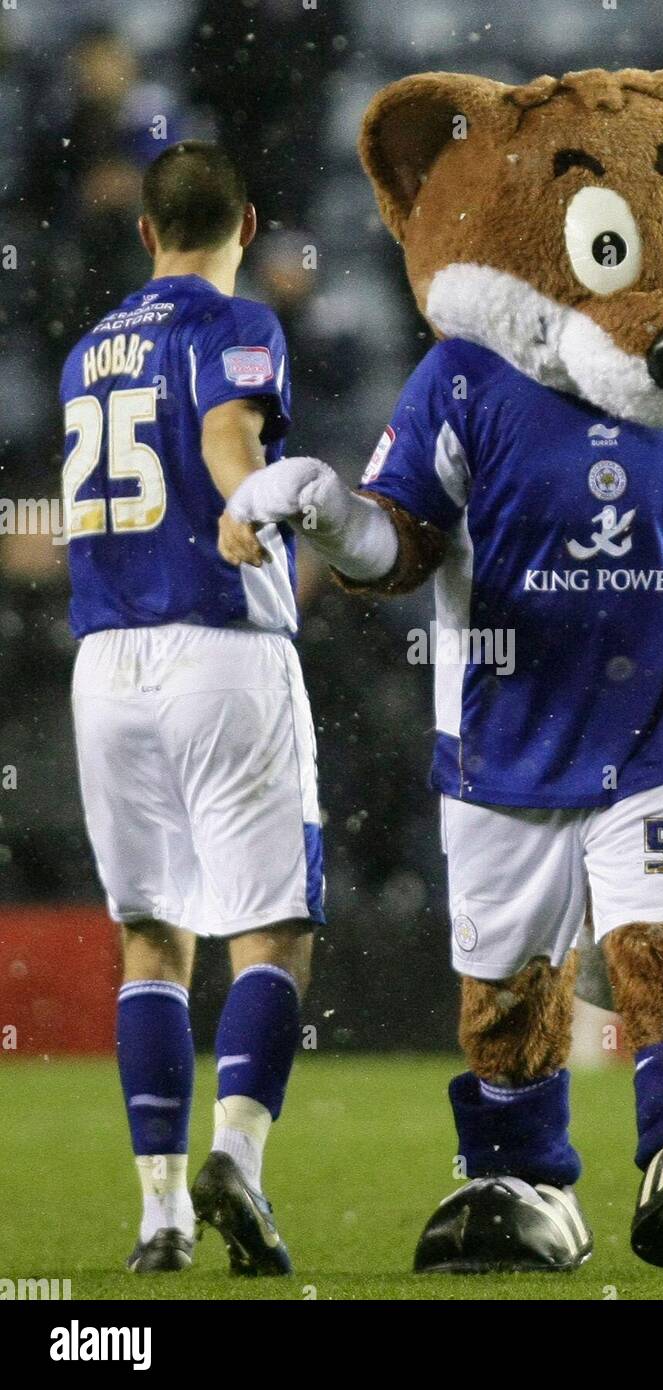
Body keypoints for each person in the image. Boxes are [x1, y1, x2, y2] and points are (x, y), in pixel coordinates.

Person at [61, 140, 324, 1276]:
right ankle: (240, 1158)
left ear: (143, 232)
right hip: (218, 646)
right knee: (272, 928)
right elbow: (229, 431)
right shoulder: (237, 323)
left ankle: (159, 1212)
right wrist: (243, 506)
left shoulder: (84, 352)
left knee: (150, 935)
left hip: (104, 665)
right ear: (249, 225)